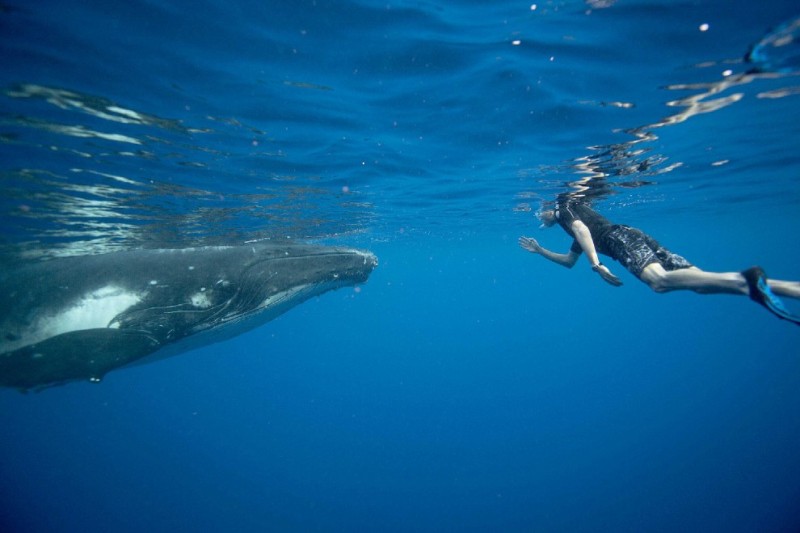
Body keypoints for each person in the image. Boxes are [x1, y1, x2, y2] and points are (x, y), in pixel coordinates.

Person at [519, 196, 800, 325]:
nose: (539, 216)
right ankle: (790, 289)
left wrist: (596, 264)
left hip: (620, 240)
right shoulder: (574, 228)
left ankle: (745, 279)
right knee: (700, 283)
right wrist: (541, 250)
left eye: (539, 212)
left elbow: (582, 230)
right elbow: (570, 260)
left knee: (659, 282)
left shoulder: (563, 207)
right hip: (631, 234)